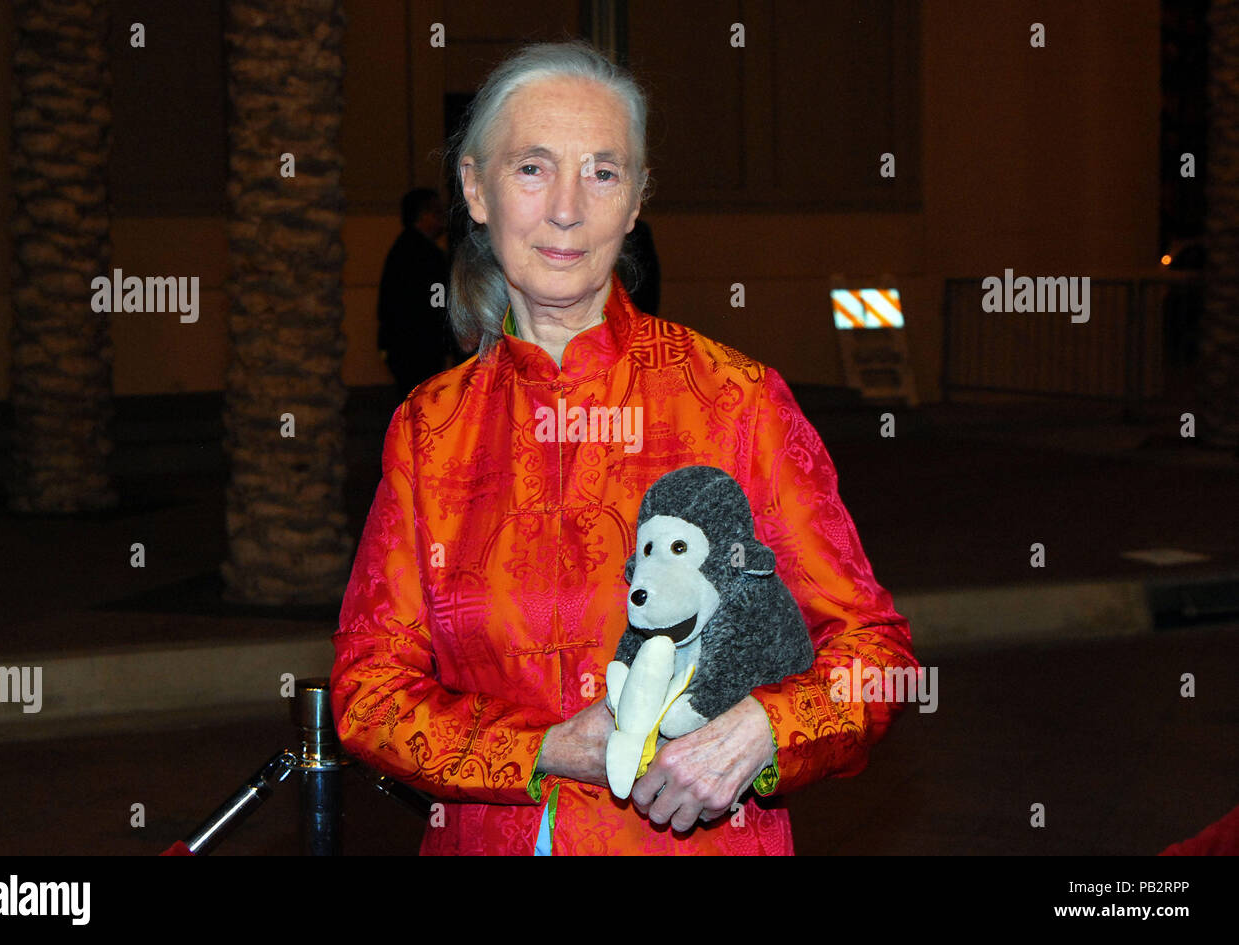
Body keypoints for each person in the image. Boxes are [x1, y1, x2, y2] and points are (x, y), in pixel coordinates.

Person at [331, 41, 916, 855]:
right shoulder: (430, 429)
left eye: (602, 173)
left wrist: (763, 728)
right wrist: (540, 748)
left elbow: (875, 655)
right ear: (476, 189)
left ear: (636, 200)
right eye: (532, 169)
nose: (566, 208)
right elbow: (368, 693)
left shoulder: (736, 400)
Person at [377, 188, 451, 397]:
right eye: (437, 212)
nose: (442, 219)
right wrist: (444, 333)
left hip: (403, 344)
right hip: (421, 345)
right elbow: (437, 301)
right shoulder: (427, 255)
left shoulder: (402, 248)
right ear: (422, 215)